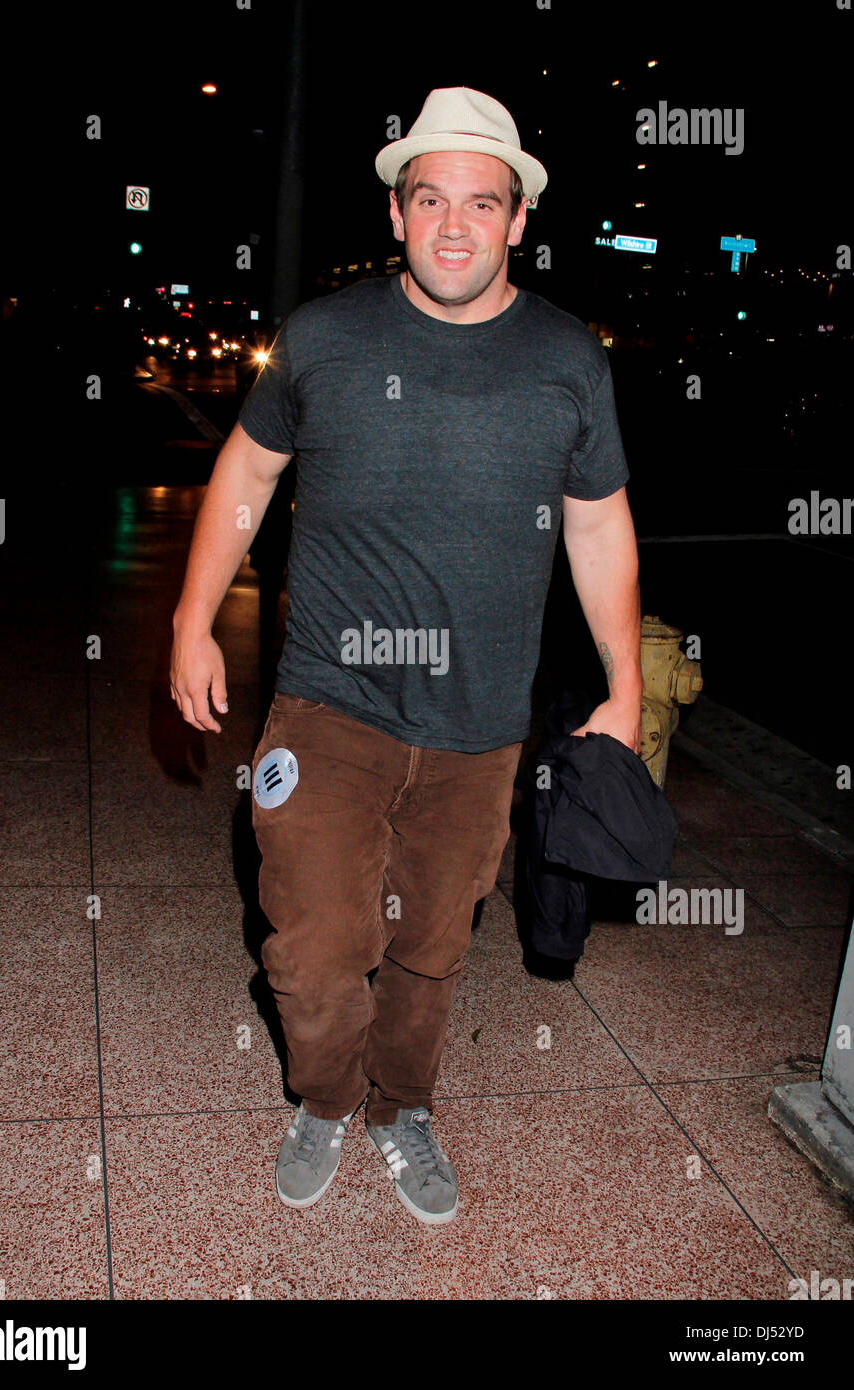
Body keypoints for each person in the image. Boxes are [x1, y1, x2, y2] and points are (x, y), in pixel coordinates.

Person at [169, 87, 642, 1226]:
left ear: (516, 218)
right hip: (330, 708)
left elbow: (597, 523)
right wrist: (190, 618)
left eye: (480, 203)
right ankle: (326, 1098)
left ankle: (403, 1107)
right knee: (319, 948)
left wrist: (625, 686)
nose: (452, 226)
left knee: (429, 950)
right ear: (395, 213)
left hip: (483, 727)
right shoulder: (325, 340)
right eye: (429, 198)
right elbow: (245, 474)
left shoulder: (568, 360)